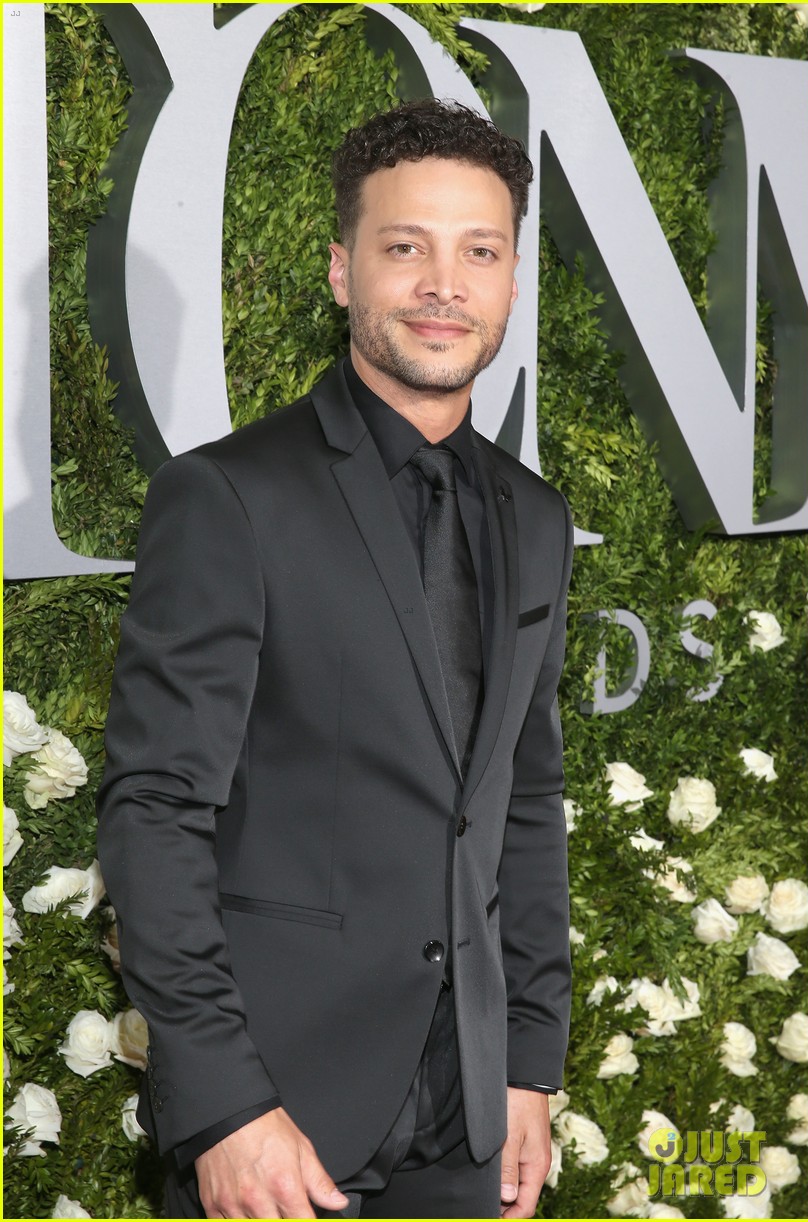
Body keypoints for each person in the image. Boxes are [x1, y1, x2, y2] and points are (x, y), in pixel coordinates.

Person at [97, 98, 573, 1221]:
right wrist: (220, 1105)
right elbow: (156, 808)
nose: (442, 284)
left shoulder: (535, 516)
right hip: (281, 1117)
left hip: (466, 1119)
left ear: (512, 282)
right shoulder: (231, 496)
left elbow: (522, 804)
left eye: (479, 251)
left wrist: (527, 1064)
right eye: (404, 247)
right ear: (341, 272)